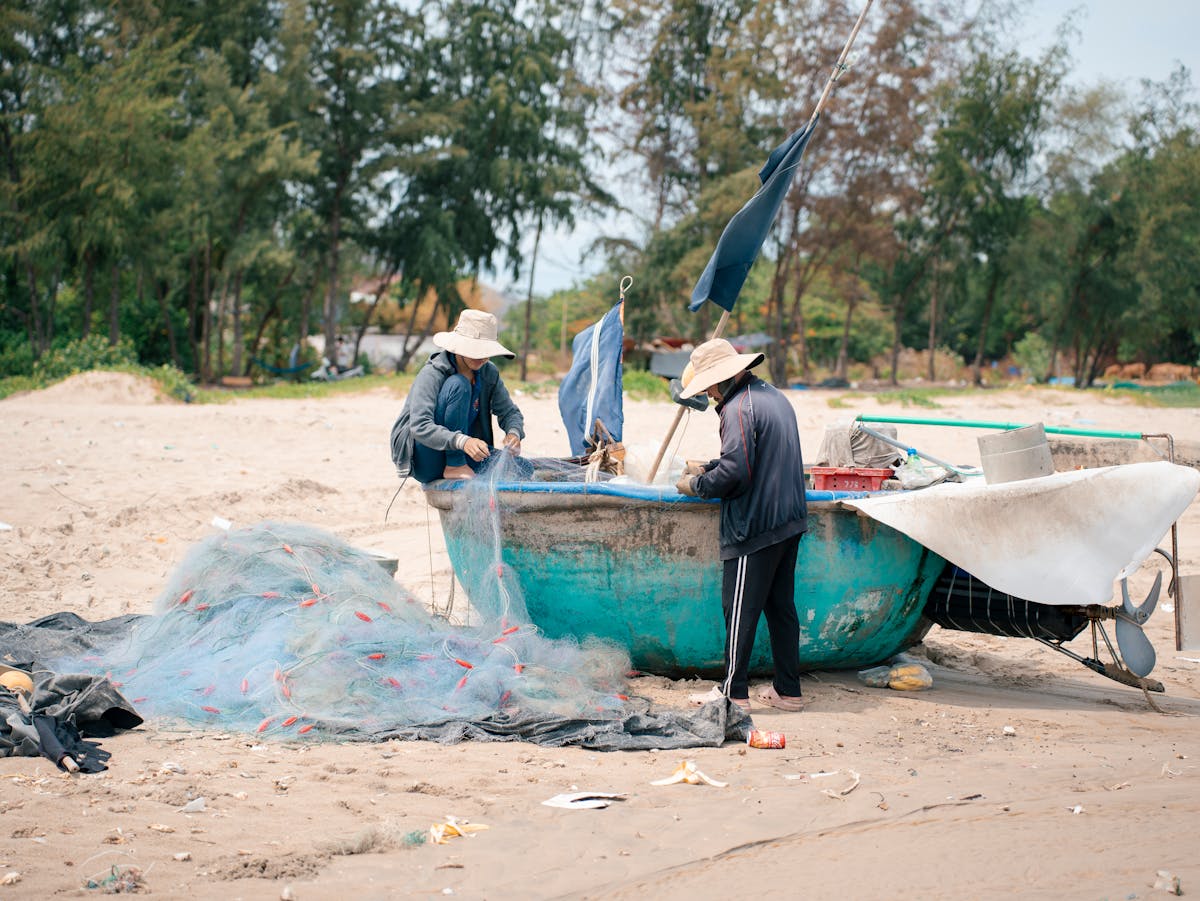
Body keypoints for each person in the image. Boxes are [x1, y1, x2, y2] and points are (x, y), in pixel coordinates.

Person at [674, 339, 808, 712]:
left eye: (708, 387)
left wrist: (698, 484)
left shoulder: (736, 408)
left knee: (738, 609)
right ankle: (788, 691)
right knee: (780, 607)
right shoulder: (771, 396)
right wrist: (710, 466)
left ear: (717, 382)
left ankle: (733, 692)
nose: (709, 395)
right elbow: (751, 458)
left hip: (756, 523)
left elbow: (737, 473)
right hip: (789, 518)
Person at [390, 309, 525, 482]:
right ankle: (455, 465)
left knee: (522, 469)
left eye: (486, 351)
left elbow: (510, 412)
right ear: (460, 345)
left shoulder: (488, 373)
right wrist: (463, 442)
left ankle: (459, 463)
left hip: (466, 451)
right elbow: (420, 425)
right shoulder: (432, 373)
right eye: (475, 350)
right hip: (426, 457)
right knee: (459, 385)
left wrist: (513, 434)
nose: (482, 357)